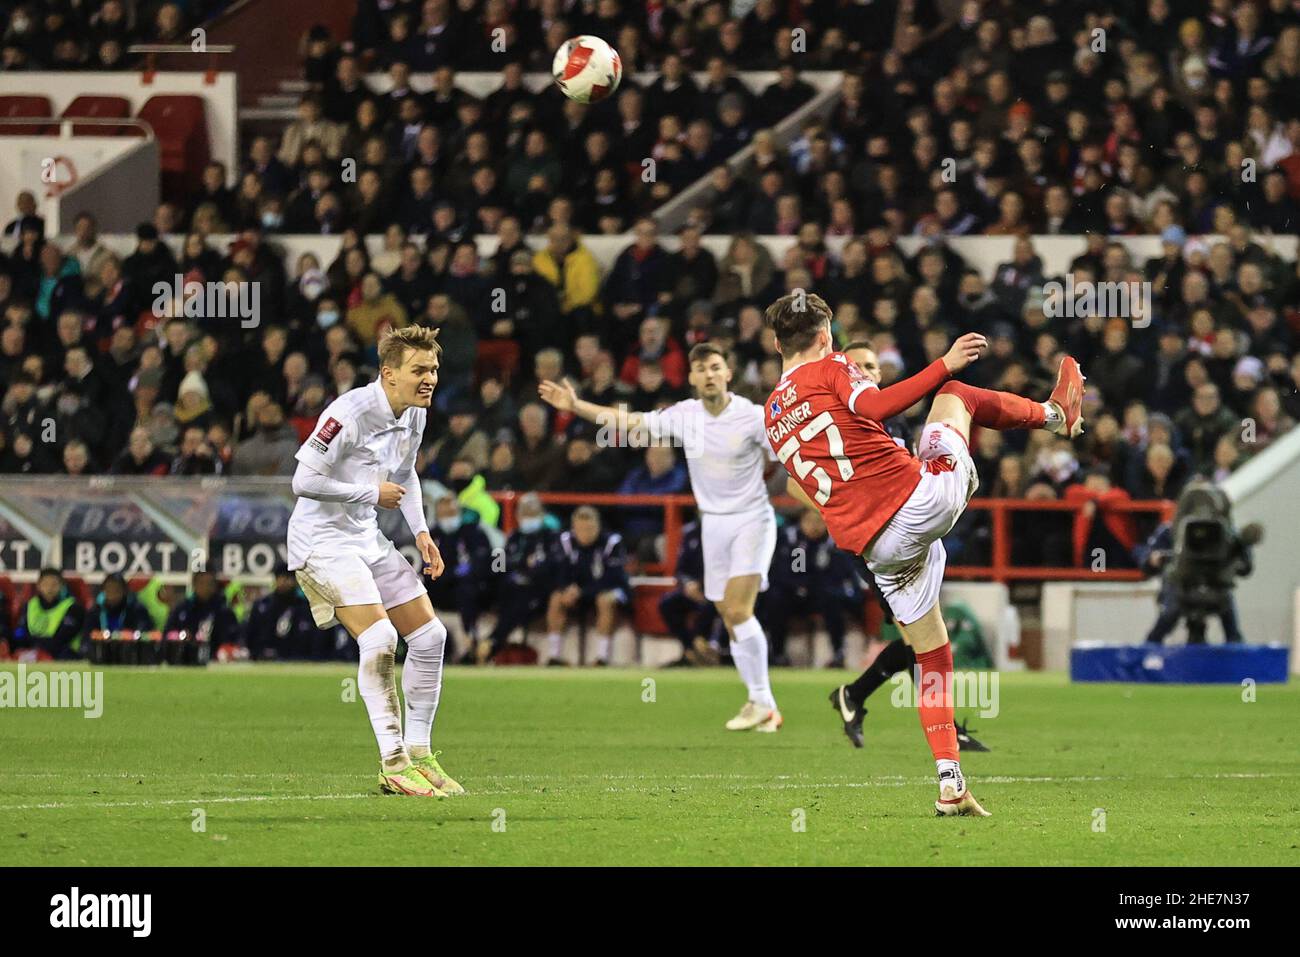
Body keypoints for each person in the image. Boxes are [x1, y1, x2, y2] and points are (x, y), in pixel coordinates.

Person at [763, 291, 1084, 817]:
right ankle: (1055, 414)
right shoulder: (832, 366)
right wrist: (943, 364)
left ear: (776, 343)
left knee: (932, 657)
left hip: (878, 549)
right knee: (956, 393)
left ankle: (950, 783)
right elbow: (879, 405)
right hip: (918, 502)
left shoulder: (773, 412)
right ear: (825, 336)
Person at [541, 342, 783, 729]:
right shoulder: (685, 416)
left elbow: (792, 453)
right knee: (728, 612)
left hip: (752, 519)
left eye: (715, 366)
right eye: (700, 368)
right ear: (691, 377)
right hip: (713, 526)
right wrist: (576, 406)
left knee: (738, 610)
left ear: (728, 373)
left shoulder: (753, 417)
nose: (708, 374)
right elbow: (630, 422)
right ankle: (762, 704)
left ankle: (762, 701)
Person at [287, 325, 462, 798]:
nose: (429, 379)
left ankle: (420, 754)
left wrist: (422, 532)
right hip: (321, 541)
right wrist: (371, 492)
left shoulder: (415, 415)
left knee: (430, 636)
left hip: (366, 536)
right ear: (388, 374)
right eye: (418, 370)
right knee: (381, 636)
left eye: (434, 369)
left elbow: (405, 476)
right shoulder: (349, 412)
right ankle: (393, 762)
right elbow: (303, 481)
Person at [763, 507, 864, 668]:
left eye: (818, 521)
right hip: (794, 594)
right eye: (809, 521)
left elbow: (839, 574)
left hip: (820, 594)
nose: (814, 526)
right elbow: (793, 573)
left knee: (832, 600)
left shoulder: (832, 542)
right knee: (776, 600)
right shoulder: (796, 543)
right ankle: (777, 653)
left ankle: (838, 654)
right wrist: (801, 586)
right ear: (801, 522)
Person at [545, 506, 630, 666]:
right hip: (578, 591)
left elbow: (613, 577)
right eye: (580, 529)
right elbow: (557, 570)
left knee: (605, 600)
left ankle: (602, 658)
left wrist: (583, 591)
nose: (585, 533)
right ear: (574, 528)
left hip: (612, 589)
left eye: (590, 528)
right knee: (556, 598)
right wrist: (566, 589)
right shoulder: (565, 541)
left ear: (598, 526)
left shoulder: (612, 542)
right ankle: (554, 656)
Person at [484, 492, 560, 663]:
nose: (528, 518)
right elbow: (500, 566)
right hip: (513, 590)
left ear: (541, 515)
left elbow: (550, 568)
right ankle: (490, 642)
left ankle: (493, 642)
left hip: (540, 592)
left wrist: (525, 573)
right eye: (525, 513)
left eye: (532, 514)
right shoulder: (513, 537)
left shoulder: (551, 538)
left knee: (520, 598)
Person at [425, 494, 493, 662]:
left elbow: (483, 564)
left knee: (467, 589)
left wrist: (455, 574)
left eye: (452, 513)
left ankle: (471, 642)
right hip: (441, 590)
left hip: (470, 590)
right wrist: (453, 574)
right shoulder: (431, 537)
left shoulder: (474, 533)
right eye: (444, 514)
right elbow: (427, 571)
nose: (449, 518)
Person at [656, 520, 722, 666]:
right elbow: (680, 569)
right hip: (693, 590)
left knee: (714, 604)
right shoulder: (691, 533)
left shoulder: (727, 532)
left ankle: (708, 650)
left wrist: (702, 584)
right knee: (667, 604)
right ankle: (690, 648)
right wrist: (688, 584)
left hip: (719, 589)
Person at [243, 563, 319, 660]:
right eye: (282, 578)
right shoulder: (262, 606)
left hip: (297, 660)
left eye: (290, 578)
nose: (286, 582)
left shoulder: (305, 608)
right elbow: (250, 635)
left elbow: (312, 641)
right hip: (263, 659)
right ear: (276, 580)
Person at [10, 568, 87, 660]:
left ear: (62, 586)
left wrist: (35, 645)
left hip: (63, 656)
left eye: (54, 584)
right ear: (38, 585)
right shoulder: (29, 606)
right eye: (45, 584)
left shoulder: (73, 608)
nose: (49, 588)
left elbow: (61, 639)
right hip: (32, 654)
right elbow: (20, 633)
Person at [163, 570, 242, 651]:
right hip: (186, 656)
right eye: (201, 583)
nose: (205, 587)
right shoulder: (183, 608)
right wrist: (181, 636)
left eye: (209, 583)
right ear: (194, 584)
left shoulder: (224, 611)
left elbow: (235, 638)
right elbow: (168, 633)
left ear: (214, 586)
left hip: (217, 656)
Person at [84, 573, 154, 639]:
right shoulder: (95, 612)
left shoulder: (137, 610)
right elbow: (87, 639)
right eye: (109, 590)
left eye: (116, 590)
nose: (112, 594)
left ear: (124, 591)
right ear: (103, 591)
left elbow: (144, 633)